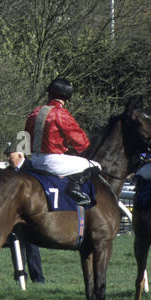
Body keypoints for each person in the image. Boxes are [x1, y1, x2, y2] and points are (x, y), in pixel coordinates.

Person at [24, 76, 99, 206]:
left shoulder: (34, 112)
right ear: (66, 97)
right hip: (53, 161)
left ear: (50, 94)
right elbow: (82, 143)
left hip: (33, 161)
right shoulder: (61, 113)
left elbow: (25, 138)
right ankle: (74, 189)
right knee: (95, 165)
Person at [5, 144, 45, 283]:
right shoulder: (8, 171)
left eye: (11, 156)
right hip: (15, 216)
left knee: (32, 246)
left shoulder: (32, 168)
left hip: (30, 214)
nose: (9, 159)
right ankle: (20, 277)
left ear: (20, 155)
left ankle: (38, 278)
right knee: (16, 246)